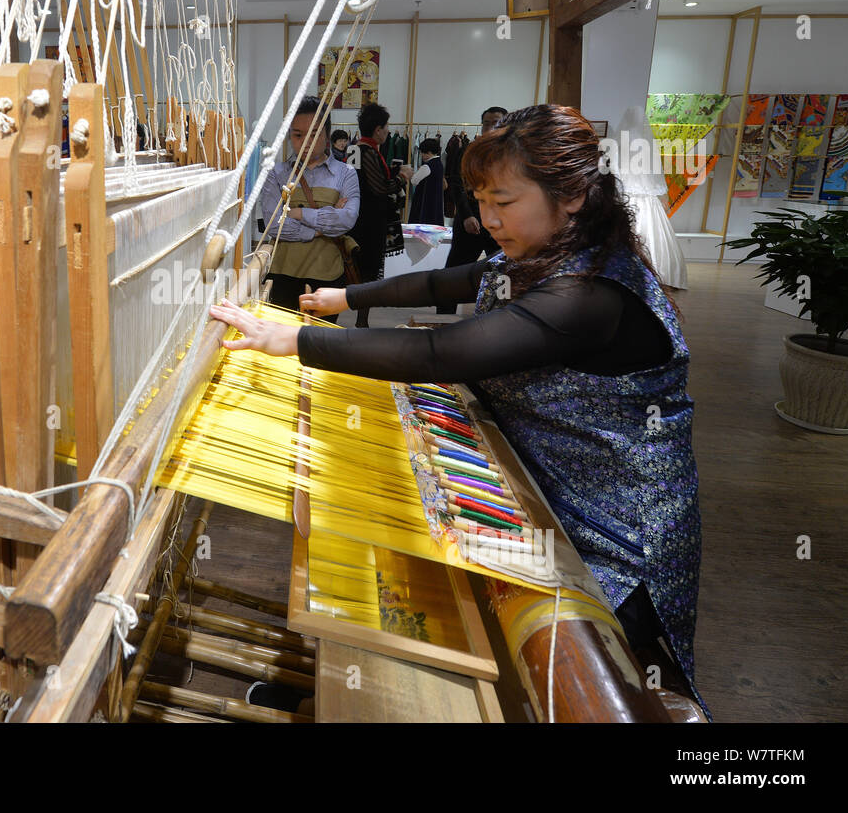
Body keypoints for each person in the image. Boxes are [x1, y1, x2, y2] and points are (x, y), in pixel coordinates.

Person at [212, 104, 706, 712]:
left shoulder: (589, 292)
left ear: (573, 195)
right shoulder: (539, 255)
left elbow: (444, 352)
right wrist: (344, 295)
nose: (486, 219)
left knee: (605, 678)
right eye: (480, 201)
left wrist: (295, 341)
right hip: (555, 479)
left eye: (503, 201)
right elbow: (440, 285)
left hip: (619, 517)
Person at [256, 95, 360, 322]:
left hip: (328, 277)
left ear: (327, 133)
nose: (305, 141)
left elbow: (348, 219)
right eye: (297, 135)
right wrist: (320, 229)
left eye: (314, 133)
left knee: (321, 344)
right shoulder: (277, 174)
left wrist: (297, 213)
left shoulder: (346, 174)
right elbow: (274, 225)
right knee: (282, 346)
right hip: (283, 275)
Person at [436, 106, 506, 313]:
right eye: (487, 122)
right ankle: (443, 319)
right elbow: (456, 183)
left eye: (496, 122)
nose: (491, 126)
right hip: (470, 221)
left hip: (500, 225)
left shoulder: (514, 154)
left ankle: (499, 319)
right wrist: (466, 215)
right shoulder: (468, 150)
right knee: (453, 274)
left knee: (503, 273)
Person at [349, 102, 411, 327]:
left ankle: (360, 319)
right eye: (386, 127)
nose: (388, 131)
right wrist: (402, 177)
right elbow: (380, 188)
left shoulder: (355, 148)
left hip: (357, 218)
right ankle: (361, 322)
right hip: (370, 222)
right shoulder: (369, 152)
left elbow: (360, 181)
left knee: (359, 269)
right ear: (377, 129)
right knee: (368, 271)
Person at [408, 137, 444, 225]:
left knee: (421, 224)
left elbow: (414, 181)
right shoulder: (439, 164)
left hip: (425, 200)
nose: (421, 155)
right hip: (435, 199)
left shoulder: (427, 166)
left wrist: (410, 172)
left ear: (429, 152)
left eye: (422, 152)